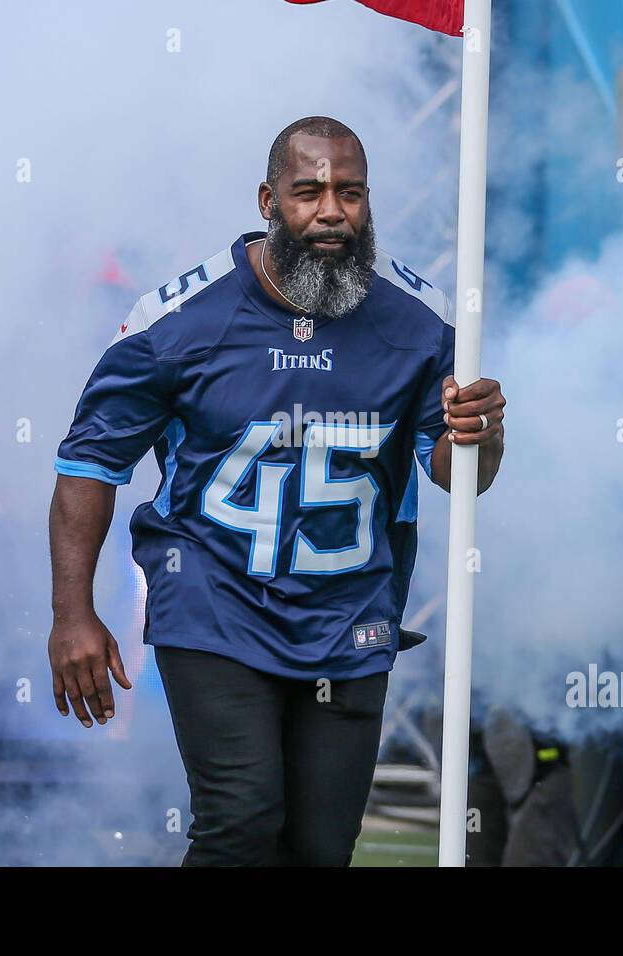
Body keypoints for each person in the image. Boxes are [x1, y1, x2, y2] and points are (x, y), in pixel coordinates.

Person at [47, 115, 506, 865]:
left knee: (320, 850)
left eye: (351, 193)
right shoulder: (179, 320)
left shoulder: (421, 321)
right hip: (215, 601)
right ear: (268, 199)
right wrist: (73, 613)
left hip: (350, 612)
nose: (332, 211)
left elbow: (460, 478)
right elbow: (90, 464)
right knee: (243, 822)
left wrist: (480, 434)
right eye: (310, 192)